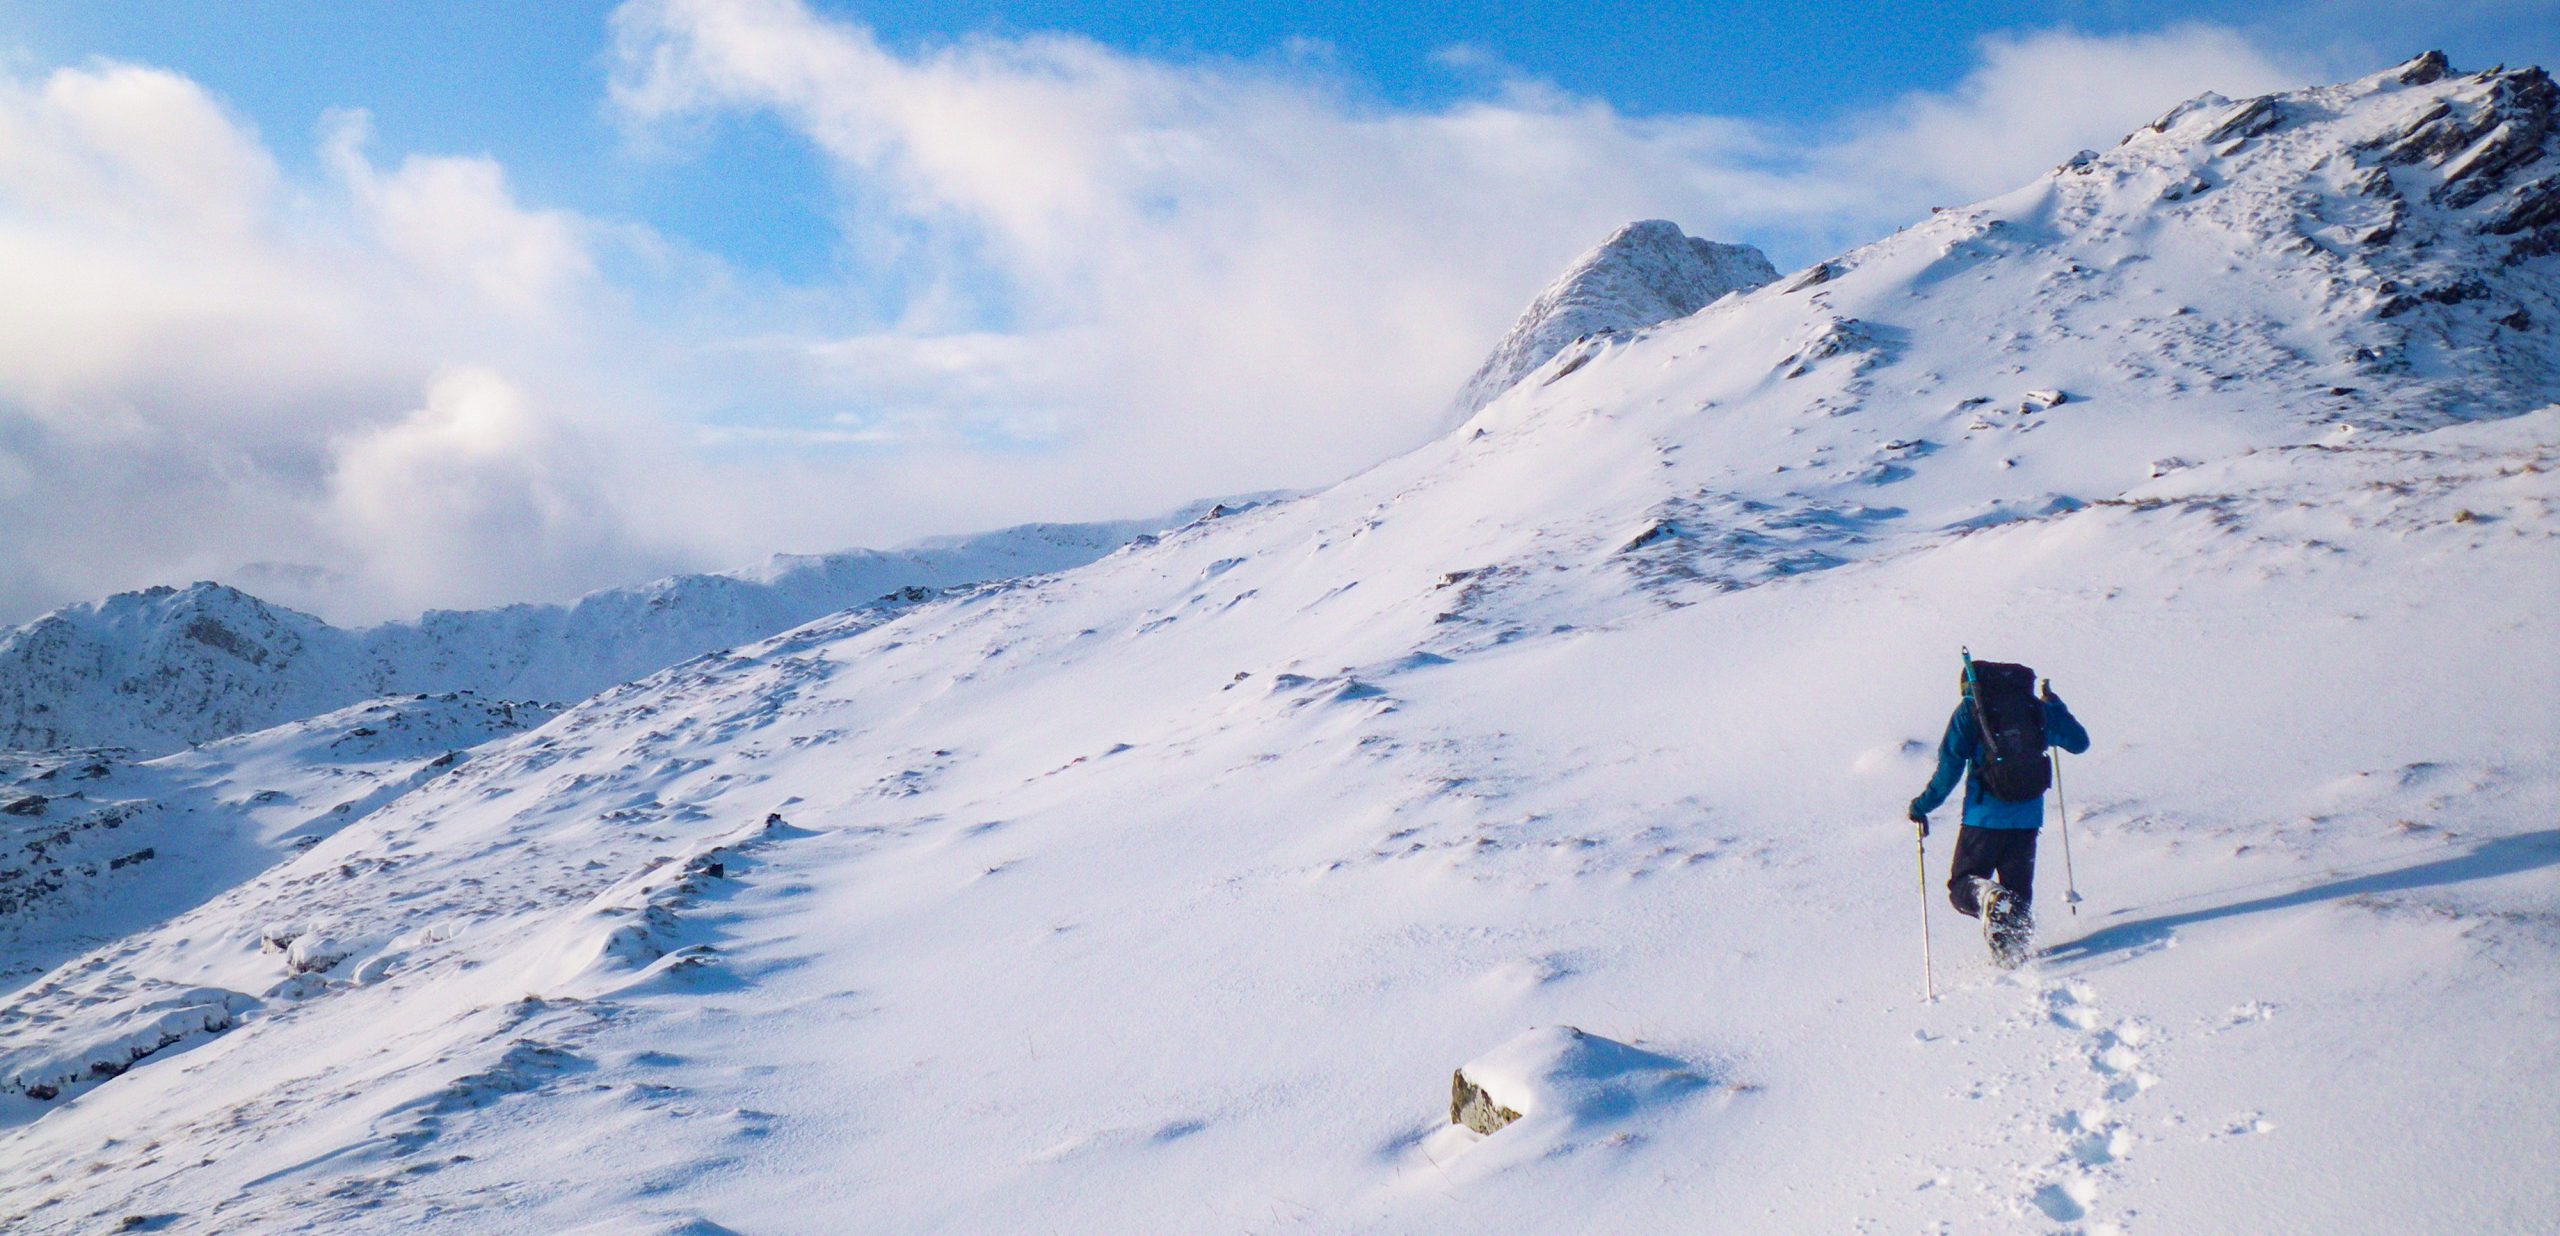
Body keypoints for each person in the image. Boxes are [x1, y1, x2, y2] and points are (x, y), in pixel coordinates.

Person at [1907, 668, 2089, 951]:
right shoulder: (2034, 708)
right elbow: (2079, 742)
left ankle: (1986, 895)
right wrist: (2055, 705)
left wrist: (1922, 805)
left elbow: (1950, 767)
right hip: (2027, 820)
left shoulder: (1972, 710)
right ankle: (2013, 958)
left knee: (1963, 887)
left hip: (1984, 818)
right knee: (2016, 898)